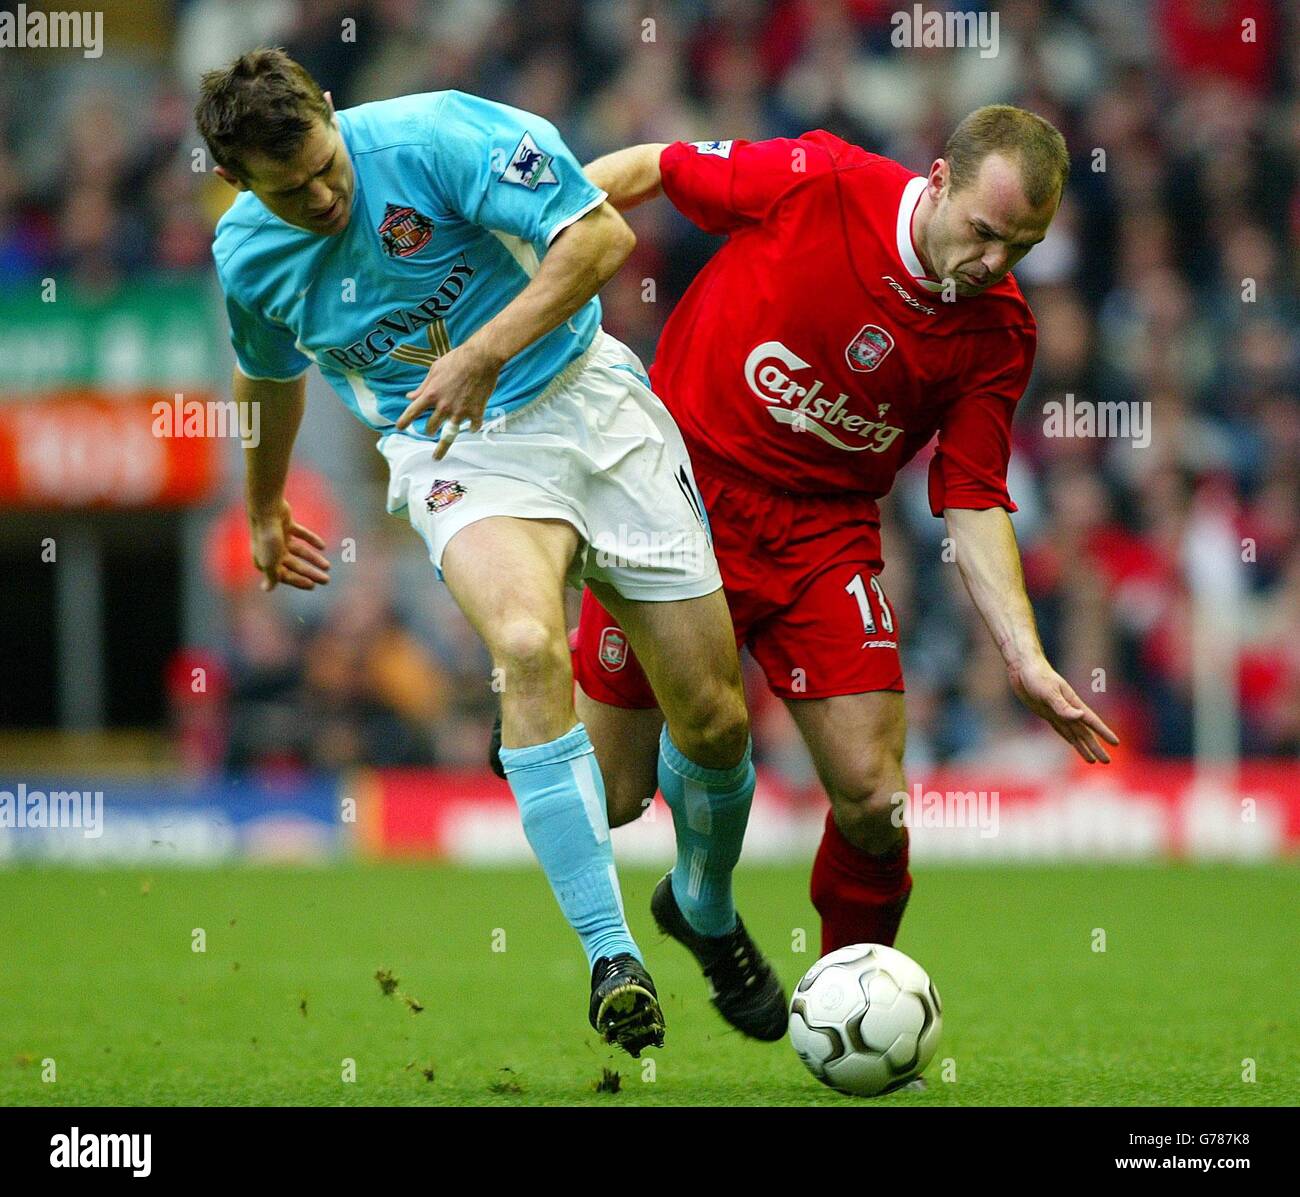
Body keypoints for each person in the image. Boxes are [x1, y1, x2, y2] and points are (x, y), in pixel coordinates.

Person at [197, 48, 787, 1056]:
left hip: (590, 409)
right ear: (239, 185)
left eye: (328, 166)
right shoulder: (250, 255)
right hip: (453, 449)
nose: (326, 195)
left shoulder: (440, 134)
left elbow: (598, 239)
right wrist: (261, 506)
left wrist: (484, 347)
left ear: (333, 113)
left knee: (715, 720)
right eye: (289, 190)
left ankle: (703, 906)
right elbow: (270, 377)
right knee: (522, 643)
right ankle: (612, 958)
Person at [559, 109, 1121, 961]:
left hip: (822, 536)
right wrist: (532, 247)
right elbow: (653, 165)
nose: (994, 263)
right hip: (678, 493)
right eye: (983, 232)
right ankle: (559, 700)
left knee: (874, 797)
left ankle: (849, 990)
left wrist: (1026, 658)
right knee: (610, 798)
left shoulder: (999, 331)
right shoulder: (820, 182)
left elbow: (971, 497)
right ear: (936, 180)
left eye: (1021, 247)